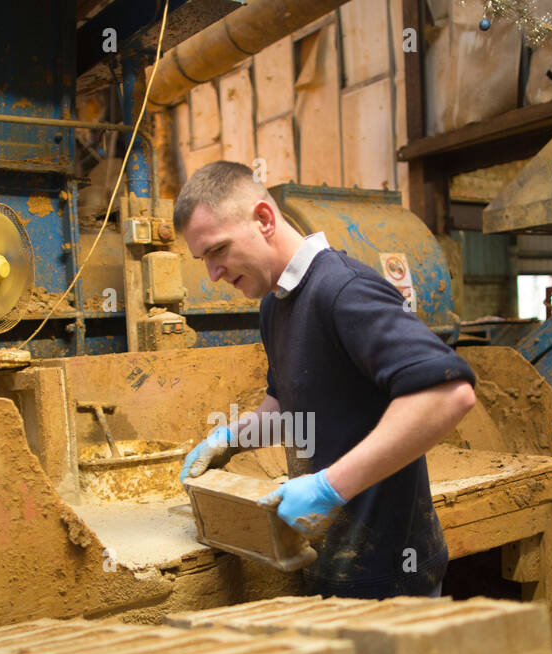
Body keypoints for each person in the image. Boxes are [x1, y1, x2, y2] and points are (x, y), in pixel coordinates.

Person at [175, 161, 476, 598]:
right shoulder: (275, 305)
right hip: (331, 562)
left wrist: (328, 487)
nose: (213, 275)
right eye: (203, 260)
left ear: (263, 219)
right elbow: (286, 405)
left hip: (390, 573)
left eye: (218, 251)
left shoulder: (343, 289)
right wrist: (230, 439)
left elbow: (448, 393)